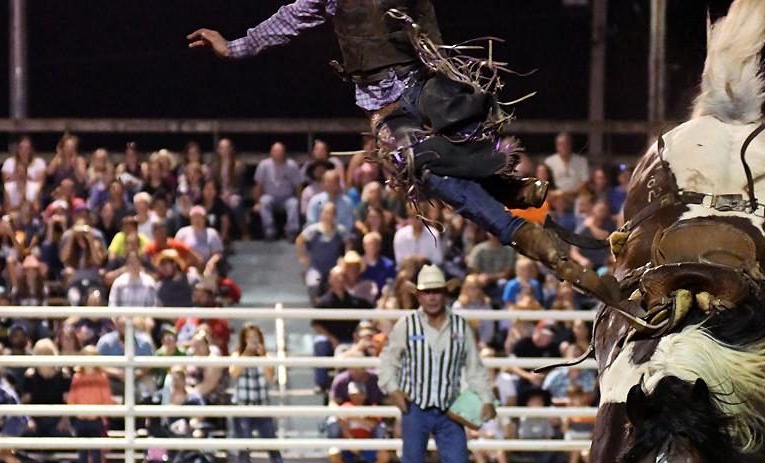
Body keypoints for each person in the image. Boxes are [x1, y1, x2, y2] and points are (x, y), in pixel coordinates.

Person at [187, 0, 632, 314]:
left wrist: (447, 77)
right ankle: (516, 219)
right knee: (420, 163)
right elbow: (293, 18)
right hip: (390, 103)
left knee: (464, 125)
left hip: (424, 84)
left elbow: (425, 28)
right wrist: (237, 46)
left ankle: (505, 184)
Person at [378, 265, 495, 463]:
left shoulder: (459, 326)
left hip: (448, 410)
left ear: (445, 294)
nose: (432, 298)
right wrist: (393, 390)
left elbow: (474, 368)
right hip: (416, 407)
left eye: (437, 292)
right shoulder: (406, 324)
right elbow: (388, 360)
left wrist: (487, 398)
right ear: (419, 296)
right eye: (427, 293)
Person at [228, 323, 287, 463]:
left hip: (262, 406)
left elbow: (270, 377)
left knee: (272, 445)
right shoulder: (237, 355)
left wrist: (262, 357)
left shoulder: (267, 357)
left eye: (255, 337)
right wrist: (246, 353)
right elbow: (234, 373)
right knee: (244, 447)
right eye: (249, 337)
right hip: (242, 407)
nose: (253, 341)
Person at [254, 142, 303, 241]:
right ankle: (269, 231)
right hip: (270, 196)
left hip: (287, 197)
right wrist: (257, 202)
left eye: (280, 151)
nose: (278, 154)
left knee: (294, 203)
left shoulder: (292, 165)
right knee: (264, 201)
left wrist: (299, 200)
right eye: (275, 151)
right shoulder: (264, 165)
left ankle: (291, 232)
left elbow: (298, 186)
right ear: (271, 153)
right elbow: (258, 186)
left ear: (284, 153)